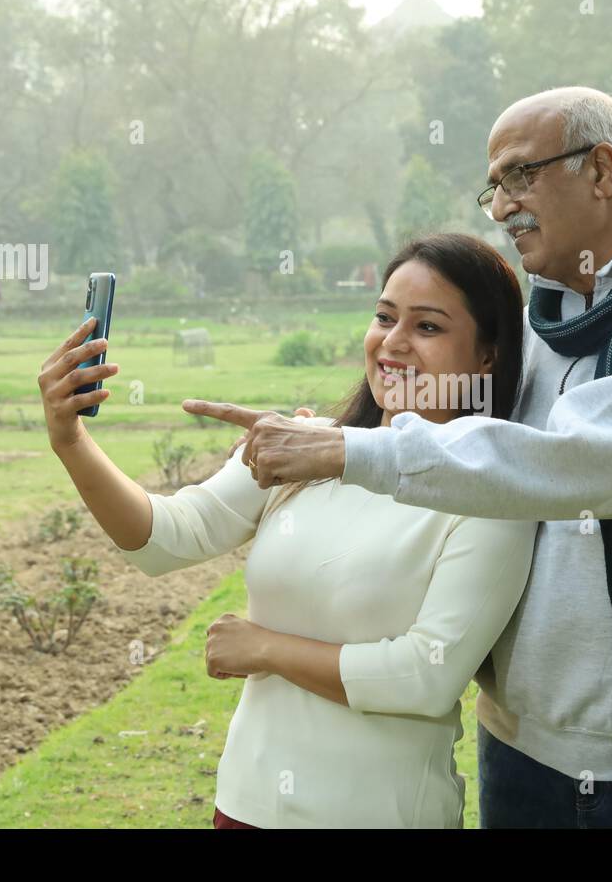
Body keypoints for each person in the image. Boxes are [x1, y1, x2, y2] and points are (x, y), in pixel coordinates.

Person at [197, 86, 612, 829]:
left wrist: (345, 450)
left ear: (600, 170)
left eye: (520, 176)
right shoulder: (543, 323)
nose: (500, 207)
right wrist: (352, 420)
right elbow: (455, 422)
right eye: (493, 186)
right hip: (527, 761)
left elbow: (584, 461)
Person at [39, 234, 535, 828]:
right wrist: (70, 440)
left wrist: (266, 648)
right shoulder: (304, 447)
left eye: (428, 327)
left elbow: (425, 677)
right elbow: (166, 537)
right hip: (247, 807)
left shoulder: (491, 494)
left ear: (486, 356)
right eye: (384, 317)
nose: (393, 343)